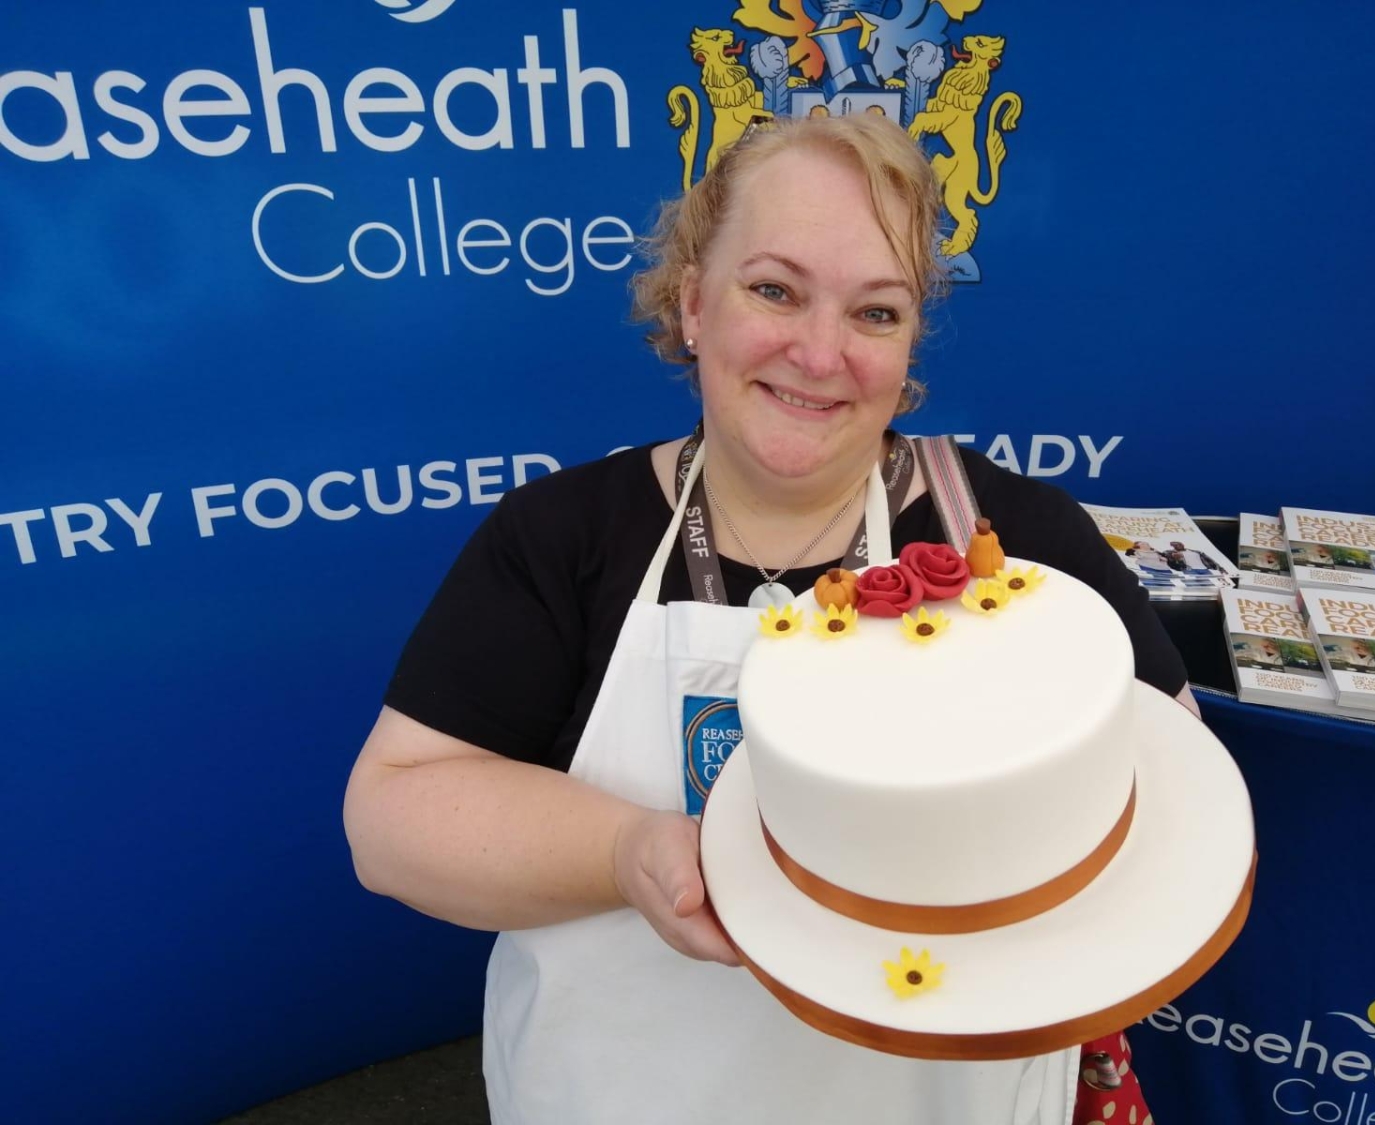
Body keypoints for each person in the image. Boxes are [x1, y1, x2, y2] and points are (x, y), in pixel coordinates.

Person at [343, 114, 1196, 1125]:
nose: (819, 352)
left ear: (912, 338)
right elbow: (393, 824)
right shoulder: (565, 538)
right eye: (775, 290)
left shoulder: (1017, 541)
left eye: (874, 313)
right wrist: (627, 853)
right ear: (692, 300)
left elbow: (1171, 810)